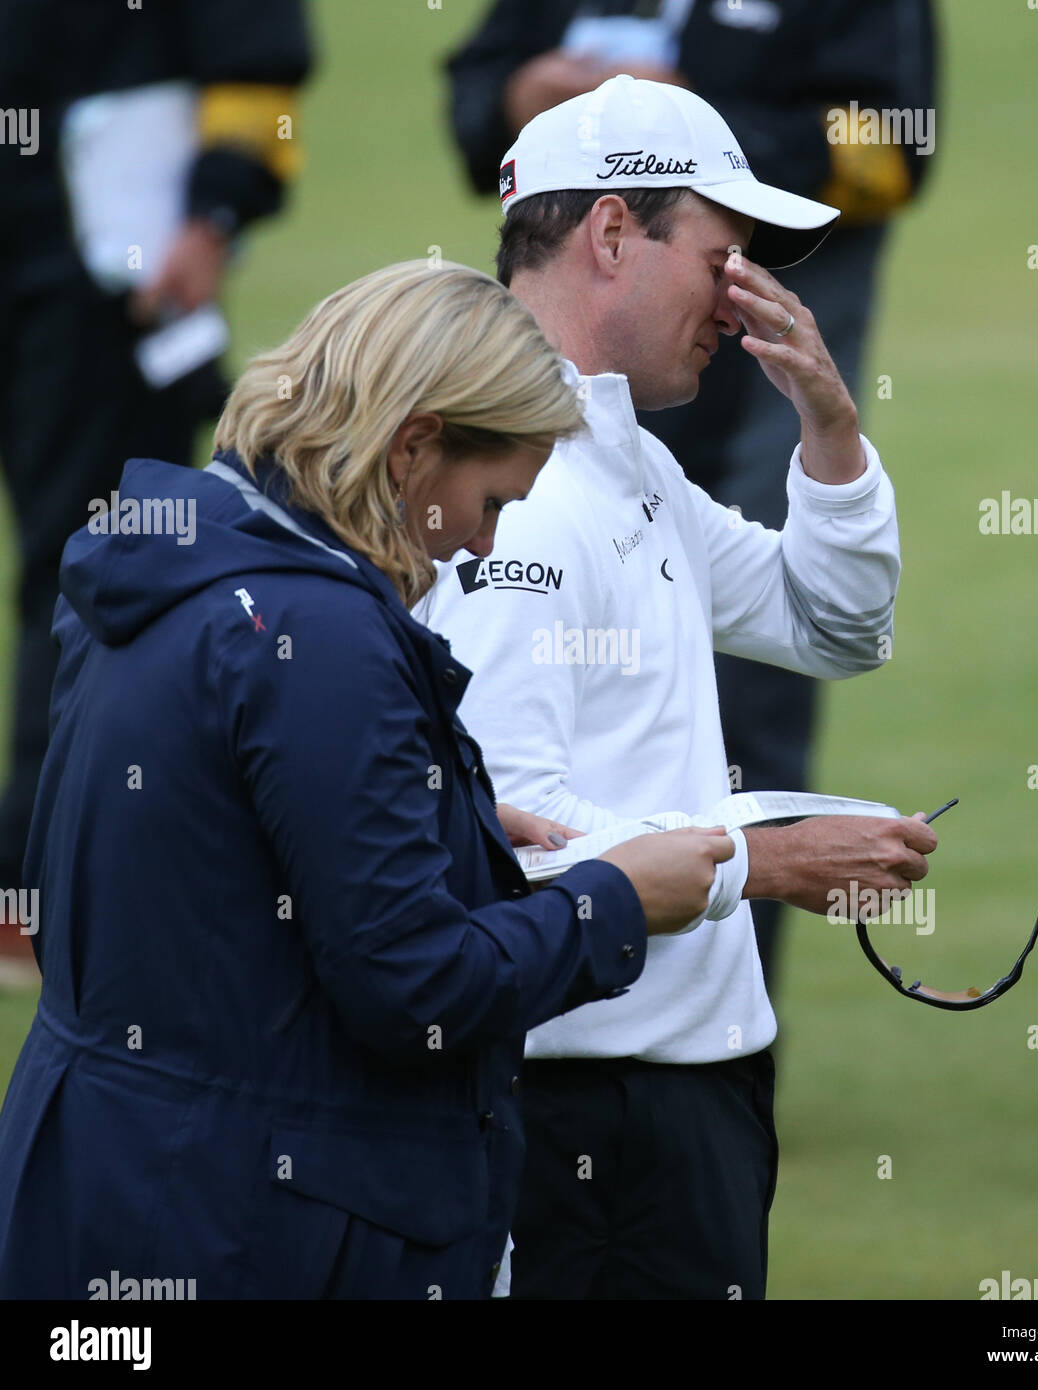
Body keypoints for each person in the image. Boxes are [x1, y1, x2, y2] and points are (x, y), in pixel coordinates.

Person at [0, 261, 734, 1301]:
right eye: (489, 502)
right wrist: (610, 899)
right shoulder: (317, 635)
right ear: (413, 445)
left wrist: (459, 832)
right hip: (246, 1229)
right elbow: (412, 985)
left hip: (110, 1183)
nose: (482, 544)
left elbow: (215, 874)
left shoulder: (174, 569)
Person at [420, 76, 938, 1299]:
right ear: (612, 235)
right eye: (723, 253)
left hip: (680, 1086)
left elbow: (835, 623)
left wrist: (827, 420)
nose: (741, 293)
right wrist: (761, 861)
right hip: (587, 1114)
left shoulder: (619, 458)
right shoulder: (526, 494)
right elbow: (500, 842)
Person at [0, 0, 314, 965]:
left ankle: (38, 883)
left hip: (105, 277)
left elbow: (259, 61)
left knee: (79, 569)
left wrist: (213, 215)